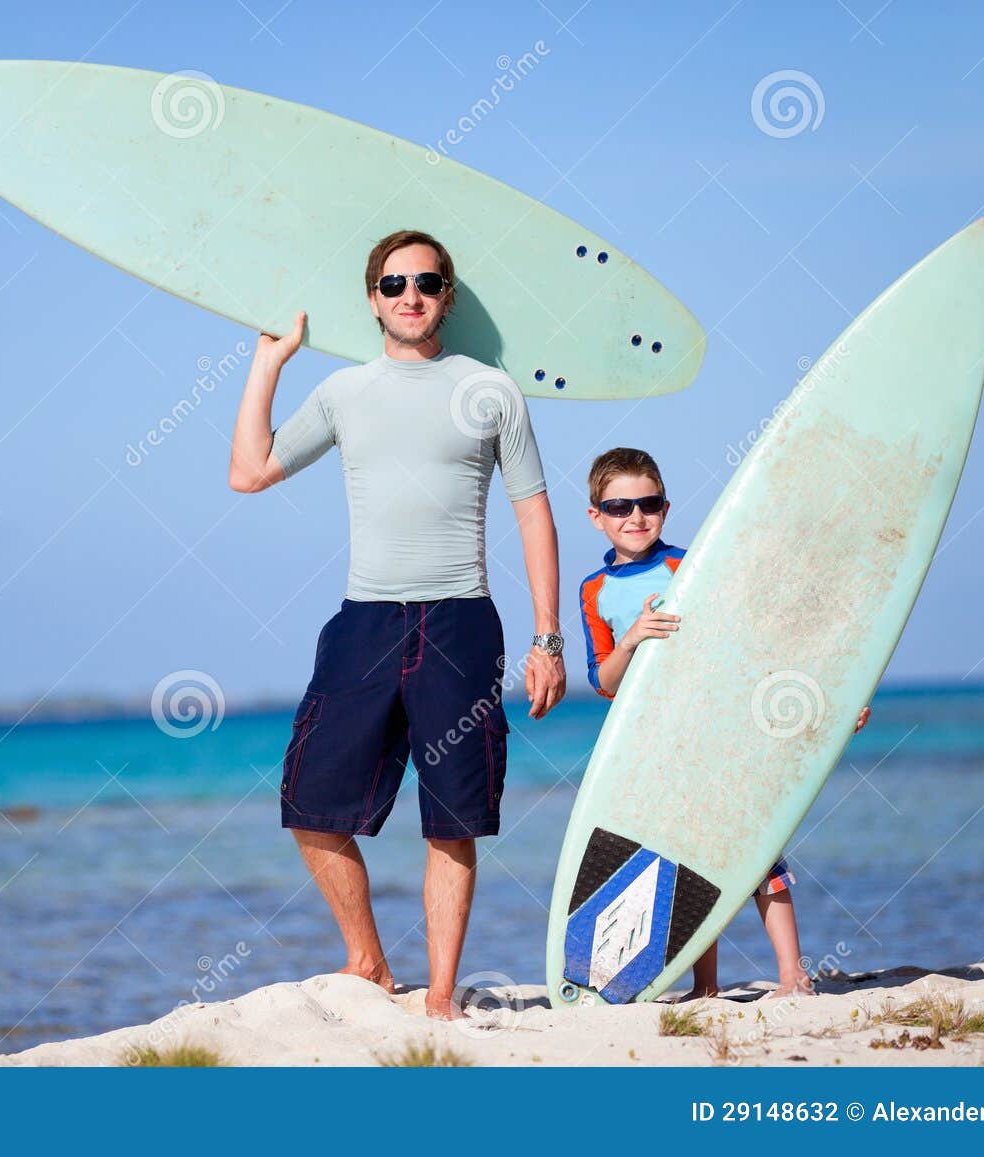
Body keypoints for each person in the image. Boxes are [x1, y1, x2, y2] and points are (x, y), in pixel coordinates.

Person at [227, 230, 566, 1019]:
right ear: (373, 296)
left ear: (446, 293)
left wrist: (548, 636)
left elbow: (534, 512)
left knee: (453, 817)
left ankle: (442, 993)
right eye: (392, 283)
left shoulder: (491, 390)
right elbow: (248, 472)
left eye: (425, 281)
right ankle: (367, 958)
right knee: (309, 804)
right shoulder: (345, 392)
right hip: (366, 621)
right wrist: (268, 365)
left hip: (460, 622)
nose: (409, 294)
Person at [577, 447, 869, 999]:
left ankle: (792, 976)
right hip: (654, 748)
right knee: (686, 861)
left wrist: (829, 695)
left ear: (665, 507)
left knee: (758, 853)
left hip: (724, 734)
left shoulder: (692, 563)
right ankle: (704, 987)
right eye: (619, 506)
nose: (635, 517)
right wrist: (634, 636)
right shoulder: (594, 589)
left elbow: (760, 634)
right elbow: (605, 681)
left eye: (648, 504)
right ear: (596, 516)